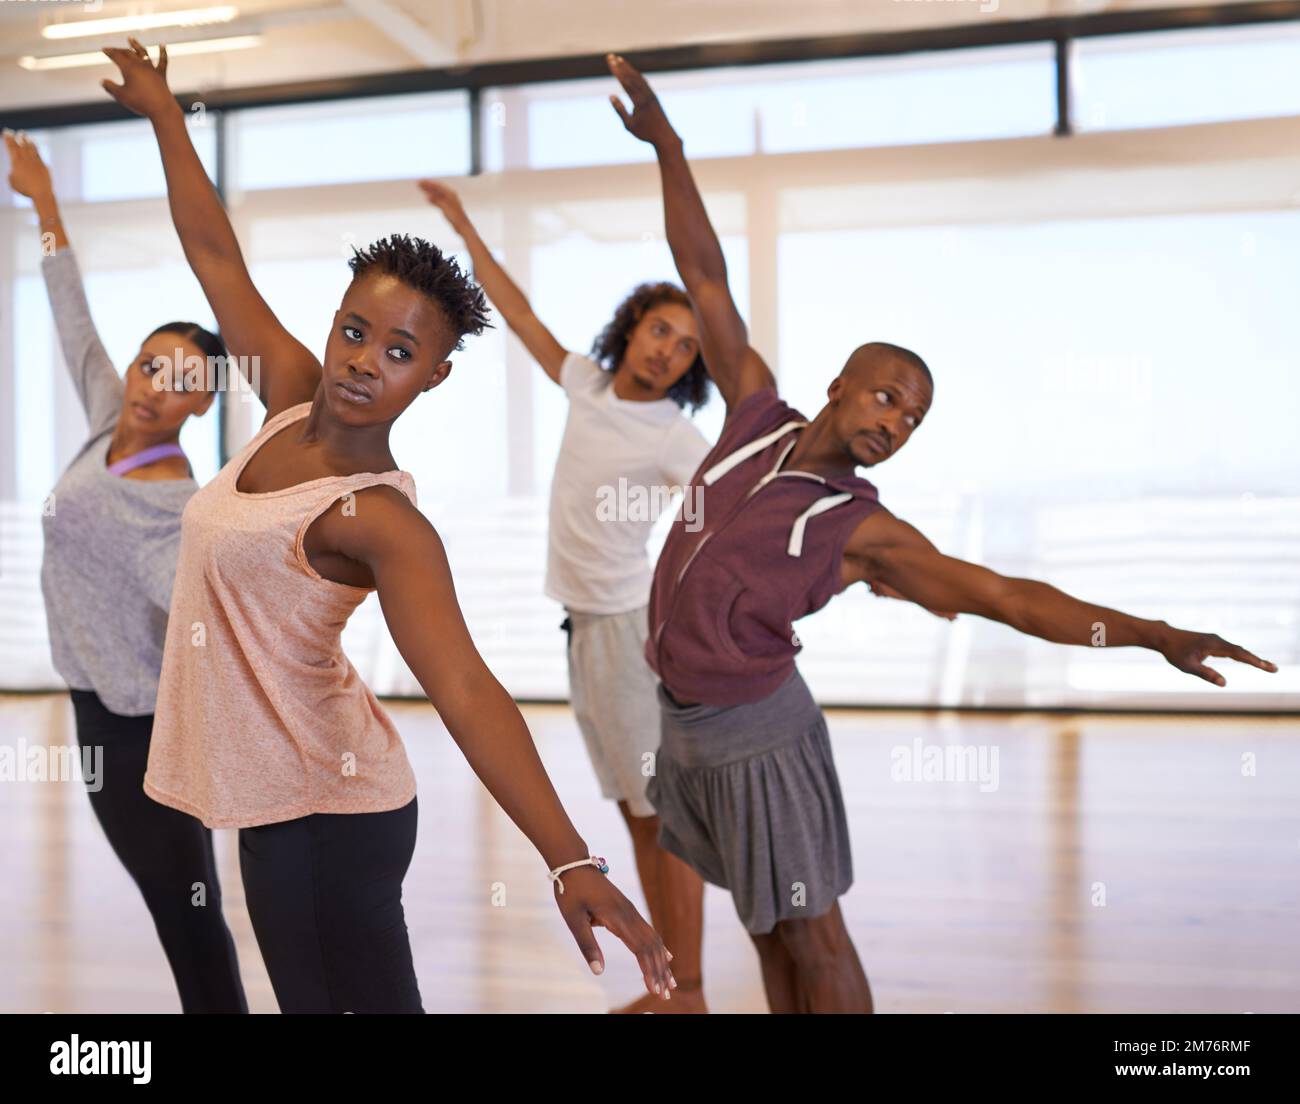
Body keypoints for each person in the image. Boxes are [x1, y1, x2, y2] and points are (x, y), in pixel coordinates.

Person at [606, 52, 1278, 1014]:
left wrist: (1152, 634)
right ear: (841, 381)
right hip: (686, 733)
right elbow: (702, 270)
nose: (893, 422)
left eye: (912, 420)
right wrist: (669, 146)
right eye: (886, 396)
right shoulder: (755, 410)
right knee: (767, 928)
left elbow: (1008, 598)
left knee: (814, 936)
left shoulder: (863, 530)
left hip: (761, 740)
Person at [100, 38, 675, 1014]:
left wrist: (568, 857)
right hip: (283, 800)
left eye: (401, 351)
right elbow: (213, 256)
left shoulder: (381, 522)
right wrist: (164, 113)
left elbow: (466, 690)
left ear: (432, 376)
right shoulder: (285, 399)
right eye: (355, 331)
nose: (366, 360)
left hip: (329, 813)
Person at [420, 178, 713, 1013]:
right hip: (582, 631)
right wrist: (465, 227)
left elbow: (725, 518)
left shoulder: (677, 437)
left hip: (627, 633)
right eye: (661, 329)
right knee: (632, 811)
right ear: (632, 328)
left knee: (660, 821)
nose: (667, 350)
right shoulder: (587, 382)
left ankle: (684, 993)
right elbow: (516, 315)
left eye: (687, 346)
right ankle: (667, 982)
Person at [4, 128, 246, 1012]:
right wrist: (46, 206)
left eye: (181, 379)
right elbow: (71, 311)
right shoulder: (111, 419)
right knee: (174, 905)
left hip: (141, 729)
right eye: (151, 362)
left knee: (187, 908)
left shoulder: (175, 502)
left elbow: (199, 614)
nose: (152, 384)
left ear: (203, 402)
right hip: (93, 707)